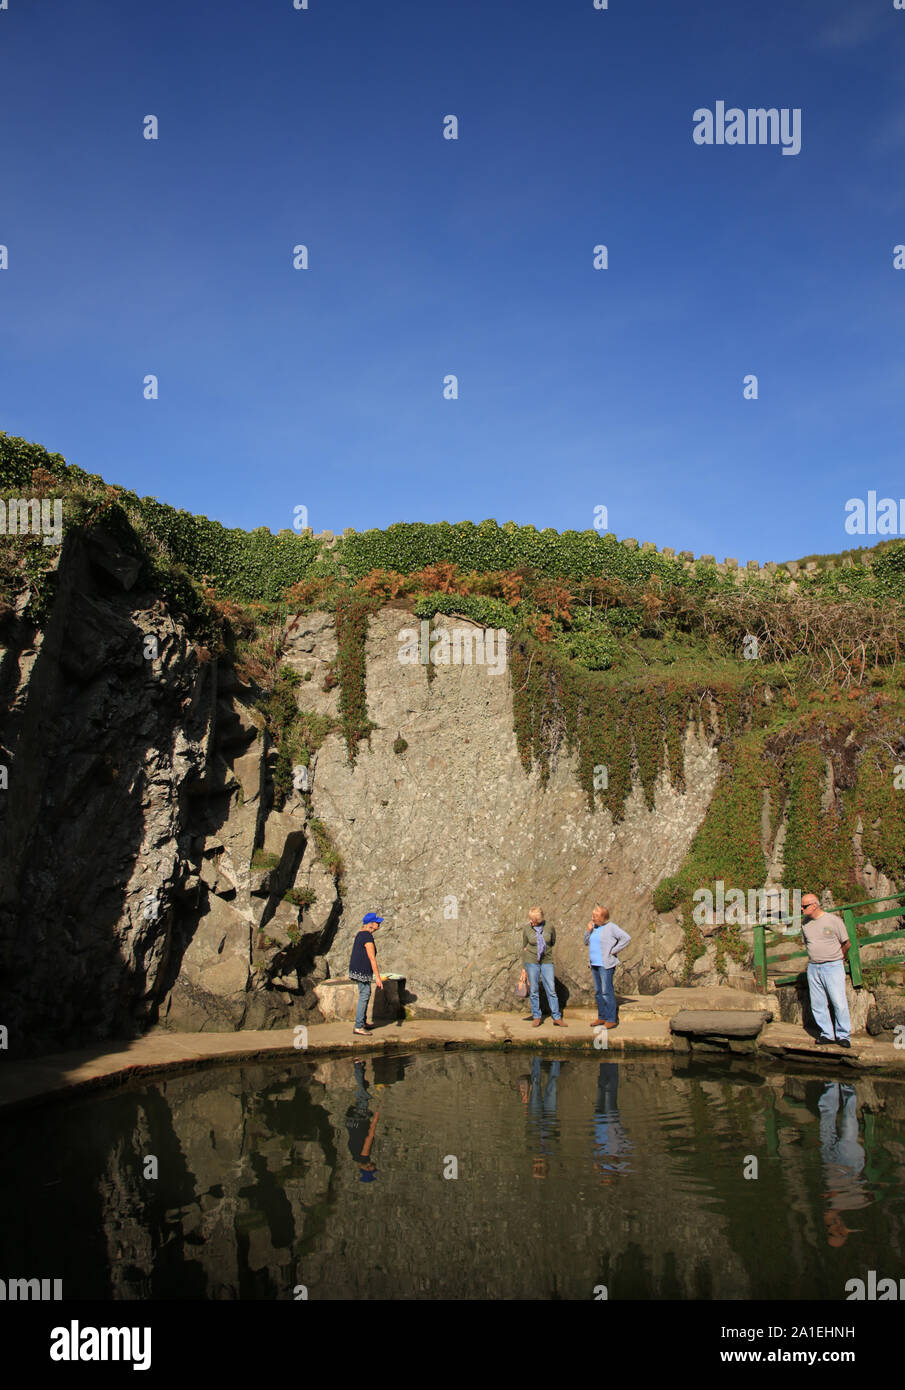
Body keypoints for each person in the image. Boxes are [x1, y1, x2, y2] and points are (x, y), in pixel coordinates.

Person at [800, 894, 852, 1047]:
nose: (802, 909)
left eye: (805, 906)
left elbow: (846, 943)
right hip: (814, 966)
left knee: (838, 1001)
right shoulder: (805, 923)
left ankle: (843, 1035)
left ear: (815, 905)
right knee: (818, 1003)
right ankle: (827, 1033)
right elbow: (807, 943)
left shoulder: (833, 920)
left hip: (833, 966)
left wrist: (837, 958)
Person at [584, 904, 631, 1028]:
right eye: (593, 915)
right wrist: (588, 931)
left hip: (606, 965)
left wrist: (613, 951)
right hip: (594, 964)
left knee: (606, 991)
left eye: (595, 916)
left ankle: (611, 1019)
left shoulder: (611, 927)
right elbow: (586, 942)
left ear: (603, 917)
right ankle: (601, 1017)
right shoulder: (593, 927)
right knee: (598, 992)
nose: (593, 918)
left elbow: (626, 938)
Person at [521, 906, 567, 1027]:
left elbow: (552, 941)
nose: (530, 921)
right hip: (531, 960)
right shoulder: (526, 928)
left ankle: (556, 1017)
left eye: (532, 919)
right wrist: (524, 968)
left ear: (538, 919)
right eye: (530, 919)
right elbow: (524, 947)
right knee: (534, 989)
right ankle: (536, 1016)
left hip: (546, 960)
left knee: (551, 988)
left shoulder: (549, 926)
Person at [348, 911, 384, 1036]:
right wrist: (378, 977)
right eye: (377, 922)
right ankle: (358, 1026)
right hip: (362, 970)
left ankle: (362, 1022)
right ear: (371, 924)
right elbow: (371, 957)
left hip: (357, 968)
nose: (379, 924)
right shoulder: (367, 936)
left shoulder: (360, 934)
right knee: (364, 994)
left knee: (365, 993)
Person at [345, 1059, 380, 1183]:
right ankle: (360, 1068)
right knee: (362, 1094)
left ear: (367, 1168)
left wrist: (375, 1119)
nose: (374, 1166)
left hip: (360, 1120)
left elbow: (369, 1138)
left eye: (372, 1169)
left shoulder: (364, 1157)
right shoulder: (355, 1156)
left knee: (363, 1095)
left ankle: (358, 1066)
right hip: (350, 1122)